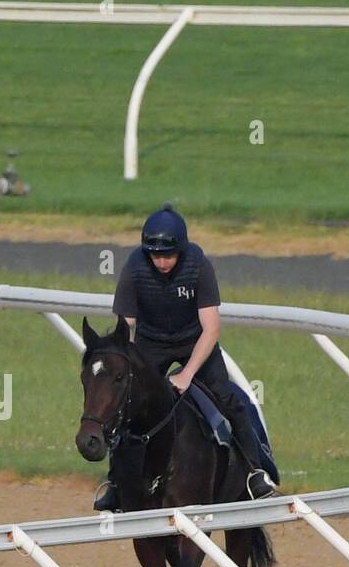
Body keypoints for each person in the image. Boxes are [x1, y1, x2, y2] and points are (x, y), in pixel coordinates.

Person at [93, 202, 277, 511]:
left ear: (181, 249)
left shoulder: (198, 265)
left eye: (168, 255)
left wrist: (188, 373)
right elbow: (125, 327)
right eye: (155, 255)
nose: (161, 262)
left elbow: (211, 328)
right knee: (128, 403)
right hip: (151, 343)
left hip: (196, 341)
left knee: (227, 398)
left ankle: (256, 472)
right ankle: (115, 483)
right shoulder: (135, 268)